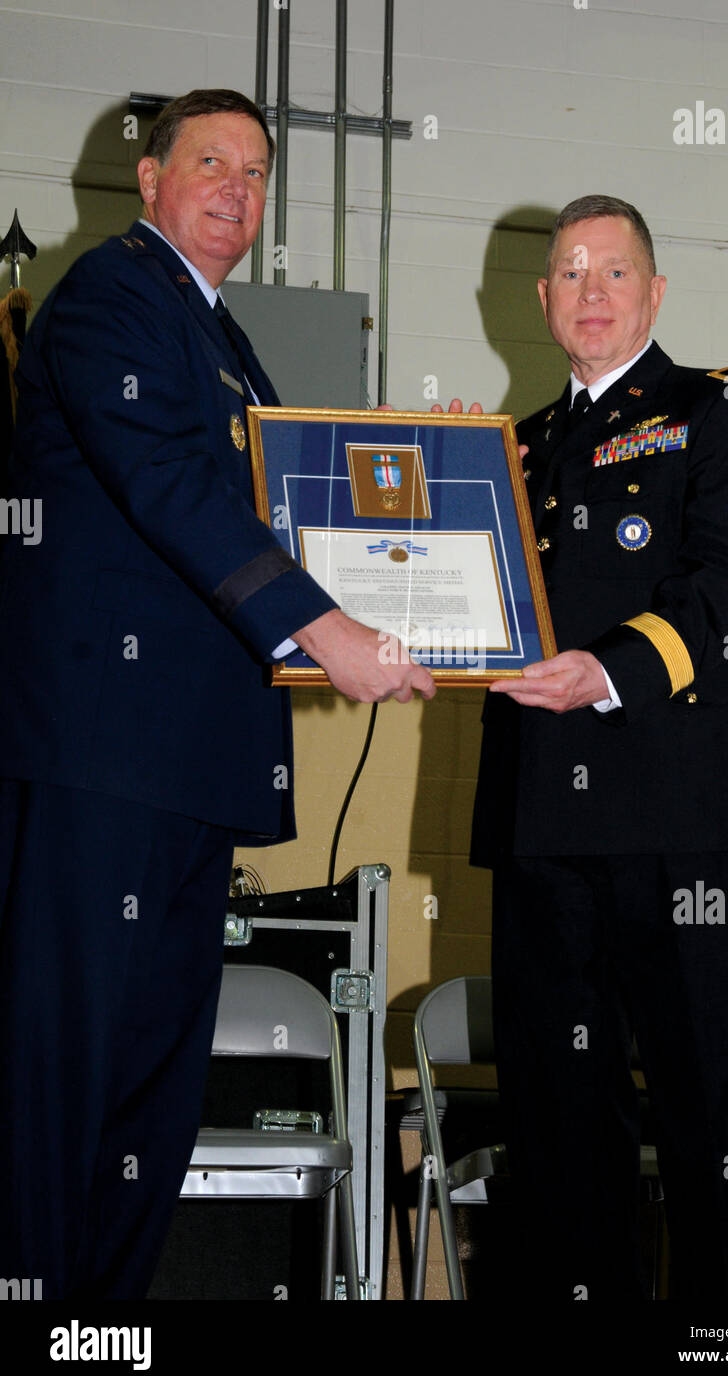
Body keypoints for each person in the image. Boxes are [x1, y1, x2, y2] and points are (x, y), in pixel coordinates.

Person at [0, 88, 437, 1300]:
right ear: (149, 179)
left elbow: (287, 504)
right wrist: (323, 627)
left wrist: (429, 484)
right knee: (64, 1074)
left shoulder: (222, 339)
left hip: (184, 767)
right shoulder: (111, 295)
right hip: (103, 756)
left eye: (254, 174)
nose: (235, 191)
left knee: (151, 1091)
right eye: (209, 163)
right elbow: (170, 485)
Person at [471, 194, 728, 1300]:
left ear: (653, 294)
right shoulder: (511, 449)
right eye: (568, 272)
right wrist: (439, 477)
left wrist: (608, 672)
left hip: (685, 825)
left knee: (712, 1118)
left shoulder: (717, 406)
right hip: (541, 834)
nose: (590, 291)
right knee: (557, 1134)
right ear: (541, 300)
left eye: (612, 272)